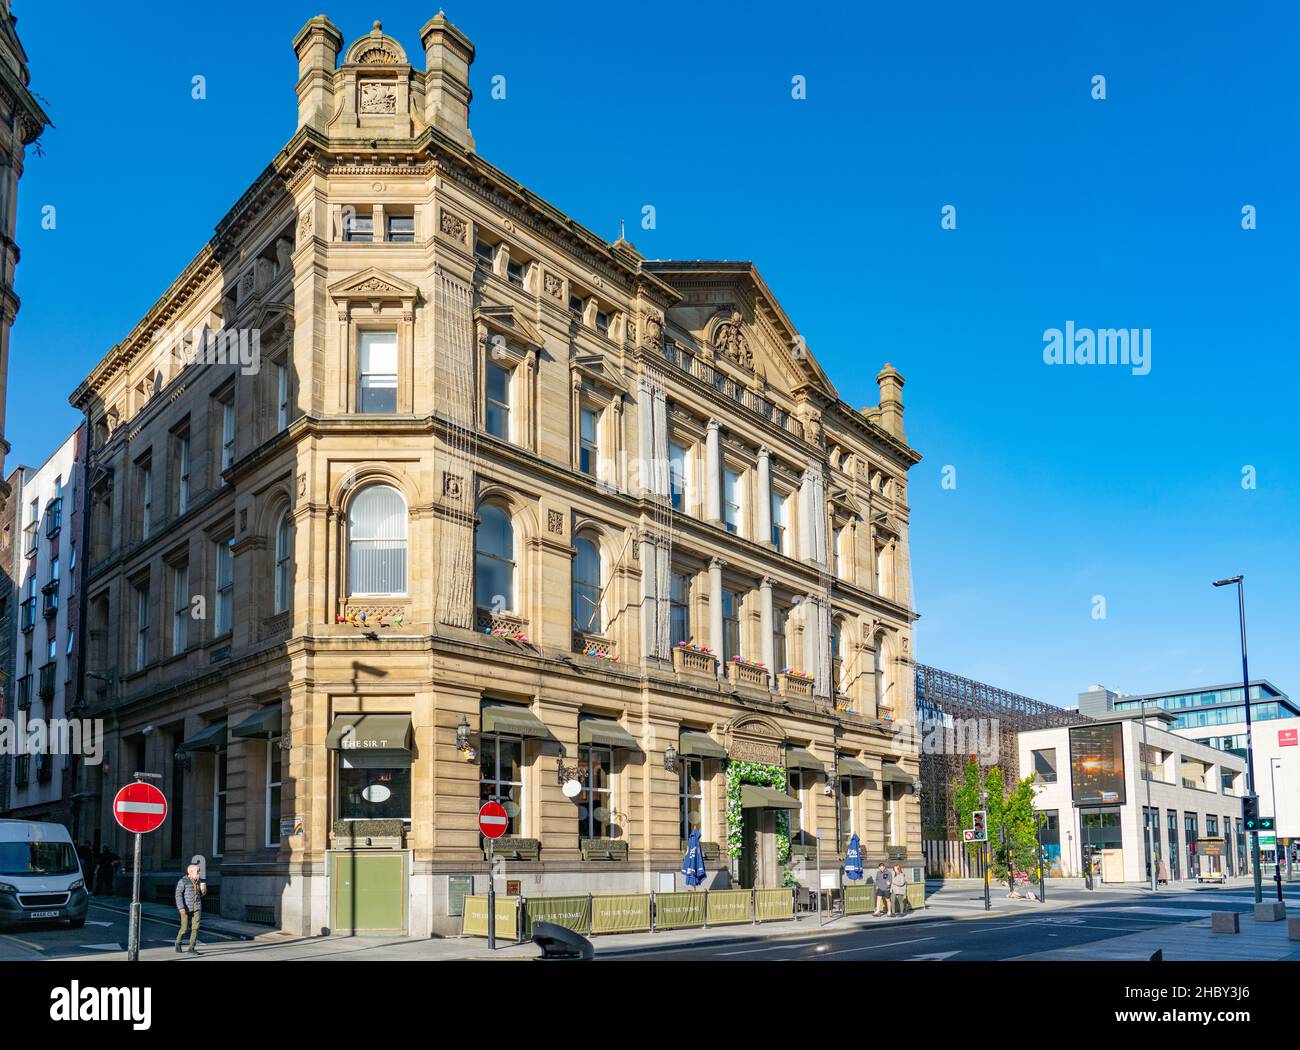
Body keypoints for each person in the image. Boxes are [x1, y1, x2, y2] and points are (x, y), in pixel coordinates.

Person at [174, 860, 207, 955]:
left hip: (197, 907)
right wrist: (181, 907)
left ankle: (191, 948)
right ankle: (178, 942)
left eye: (199, 871)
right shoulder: (183, 881)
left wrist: (203, 890)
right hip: (185, 908)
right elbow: (178, 895)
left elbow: (200, 894)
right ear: (191, 872)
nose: (199, 872)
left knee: (195, 928)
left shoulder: (198, 881)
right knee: (184, 928)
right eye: (198, 871)